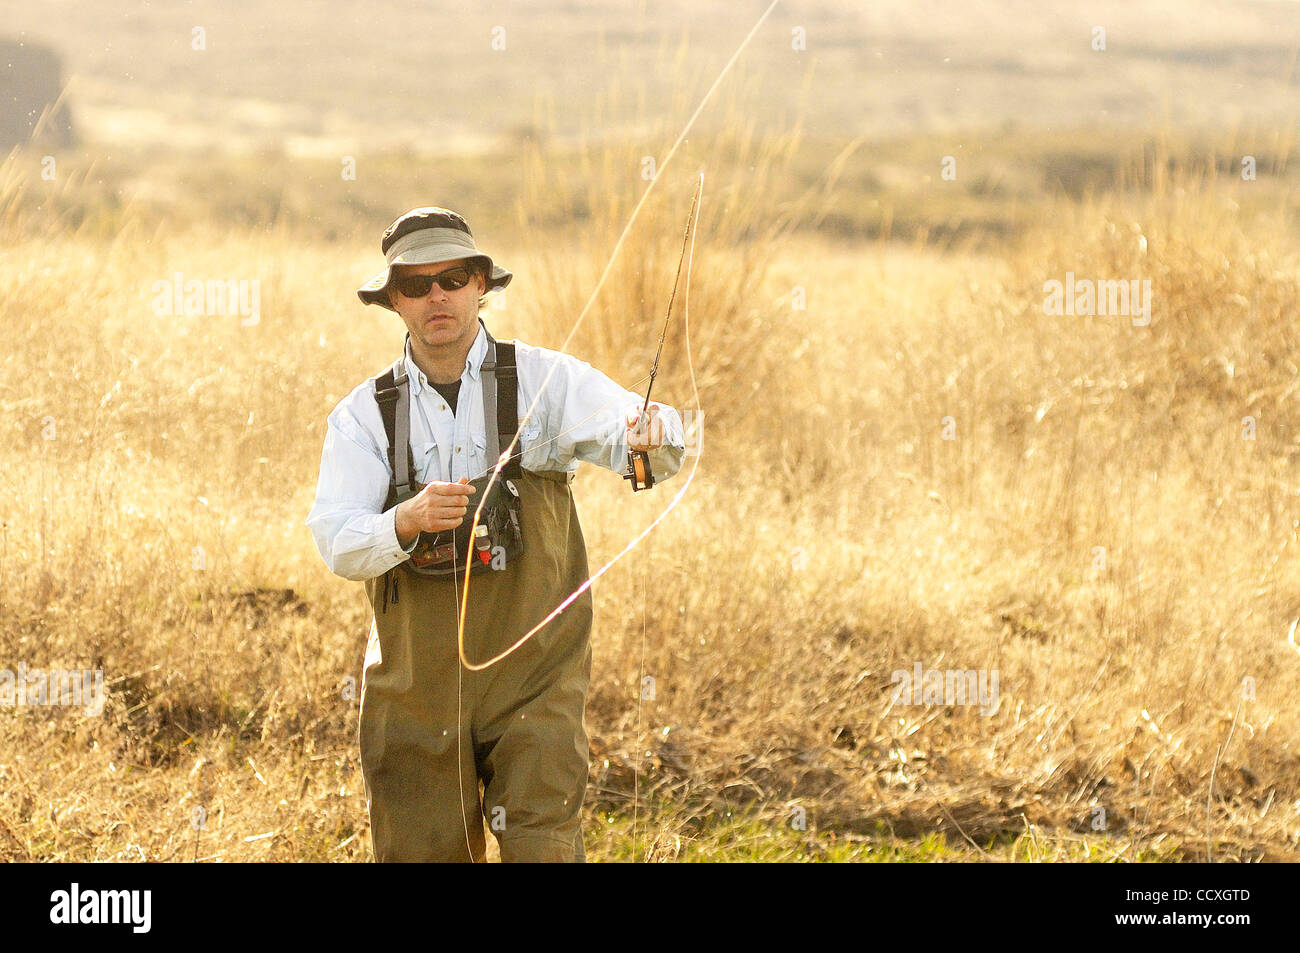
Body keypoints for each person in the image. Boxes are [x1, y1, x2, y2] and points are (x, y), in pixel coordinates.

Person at [306, 206, 686, 862]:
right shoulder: (364, 416)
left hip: (536, 677)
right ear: (394, 299)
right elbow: (335, 540)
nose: (437, 296)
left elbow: (647, 434)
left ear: (481, 282)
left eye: (452, 277)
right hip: (414, 690)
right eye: (417, 285)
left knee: (543, 844)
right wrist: (406, 521)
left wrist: (650, 433)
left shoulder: (546, 379)